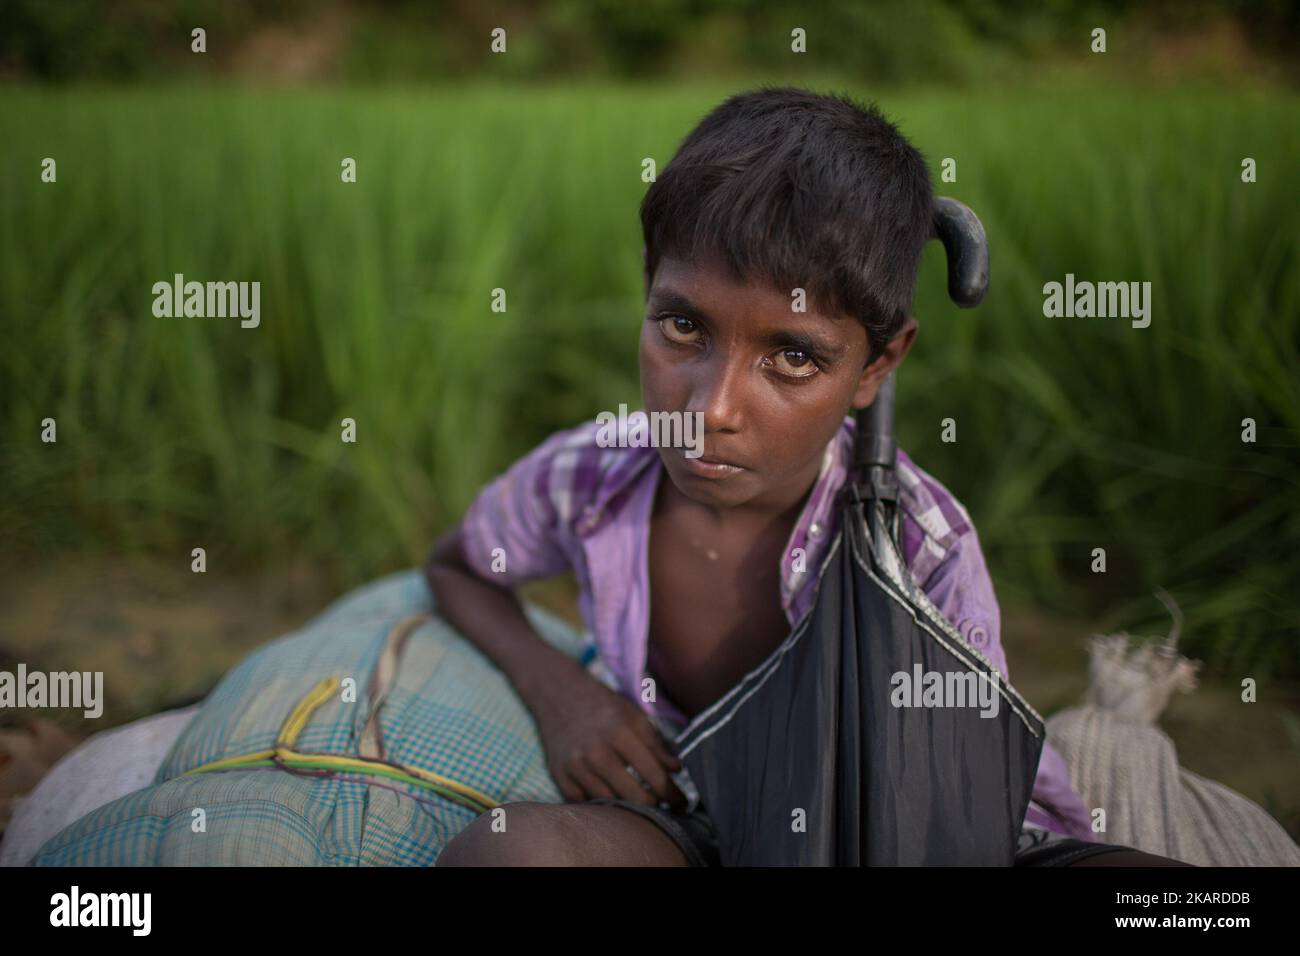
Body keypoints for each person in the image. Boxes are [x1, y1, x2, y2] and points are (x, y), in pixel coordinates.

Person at [429, 87, 1185, 867]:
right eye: (683, 326)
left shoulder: (921, 547)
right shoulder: (591, 477)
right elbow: (459, 566)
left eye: (793, 356)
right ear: (649, 291)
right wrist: (562, 694)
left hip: (910, 830)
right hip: (699, 823)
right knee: (508, 855)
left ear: (878, 364)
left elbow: (958, 784)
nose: (713, 409)